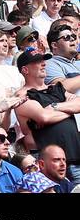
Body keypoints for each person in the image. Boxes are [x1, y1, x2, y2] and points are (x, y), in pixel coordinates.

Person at [15, 48, 80, 187]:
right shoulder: (21, 96)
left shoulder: (56, 88)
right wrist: (69, 109)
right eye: (37, 62)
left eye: (43, 60)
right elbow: (43, 117)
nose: (43, 64)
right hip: (48, 163)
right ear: (25, 70)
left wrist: (55, 107)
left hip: (75, 156)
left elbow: (79, 104)